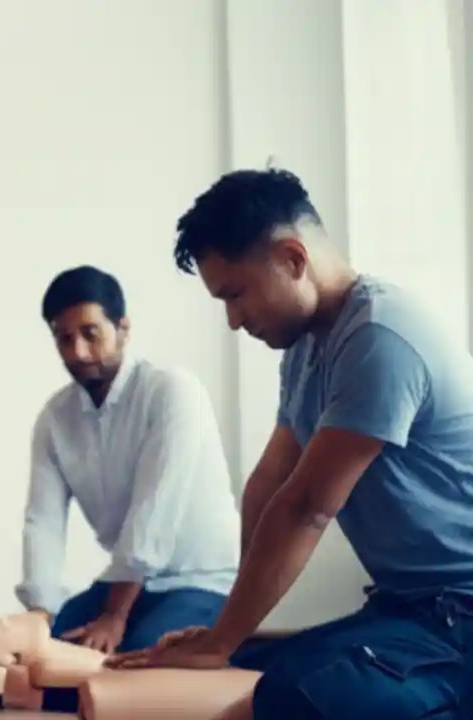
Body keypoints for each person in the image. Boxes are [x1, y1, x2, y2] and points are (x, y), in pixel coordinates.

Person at [107, 168, 473, 720]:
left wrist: (218, 641)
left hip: (460, 613)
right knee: (258, 666)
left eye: (236, 295)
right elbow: (269, 485)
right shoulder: (306, 351)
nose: (233, 320)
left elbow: (306, 508)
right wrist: (227, 630)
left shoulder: (379, 336)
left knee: (292, 697)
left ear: (293, 259)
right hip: (408, 608)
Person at [13, 265, 239, 711]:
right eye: (63, 338)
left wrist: (115, 615)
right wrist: (39, 619)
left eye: (90, 333)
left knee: (132, 666)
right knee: (53, 660)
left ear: (123, 329)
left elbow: (154, 512)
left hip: (199, 581)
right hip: (124, 581)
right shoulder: (55, 419)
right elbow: (42, 523)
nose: (77, 351)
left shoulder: (173, 392)